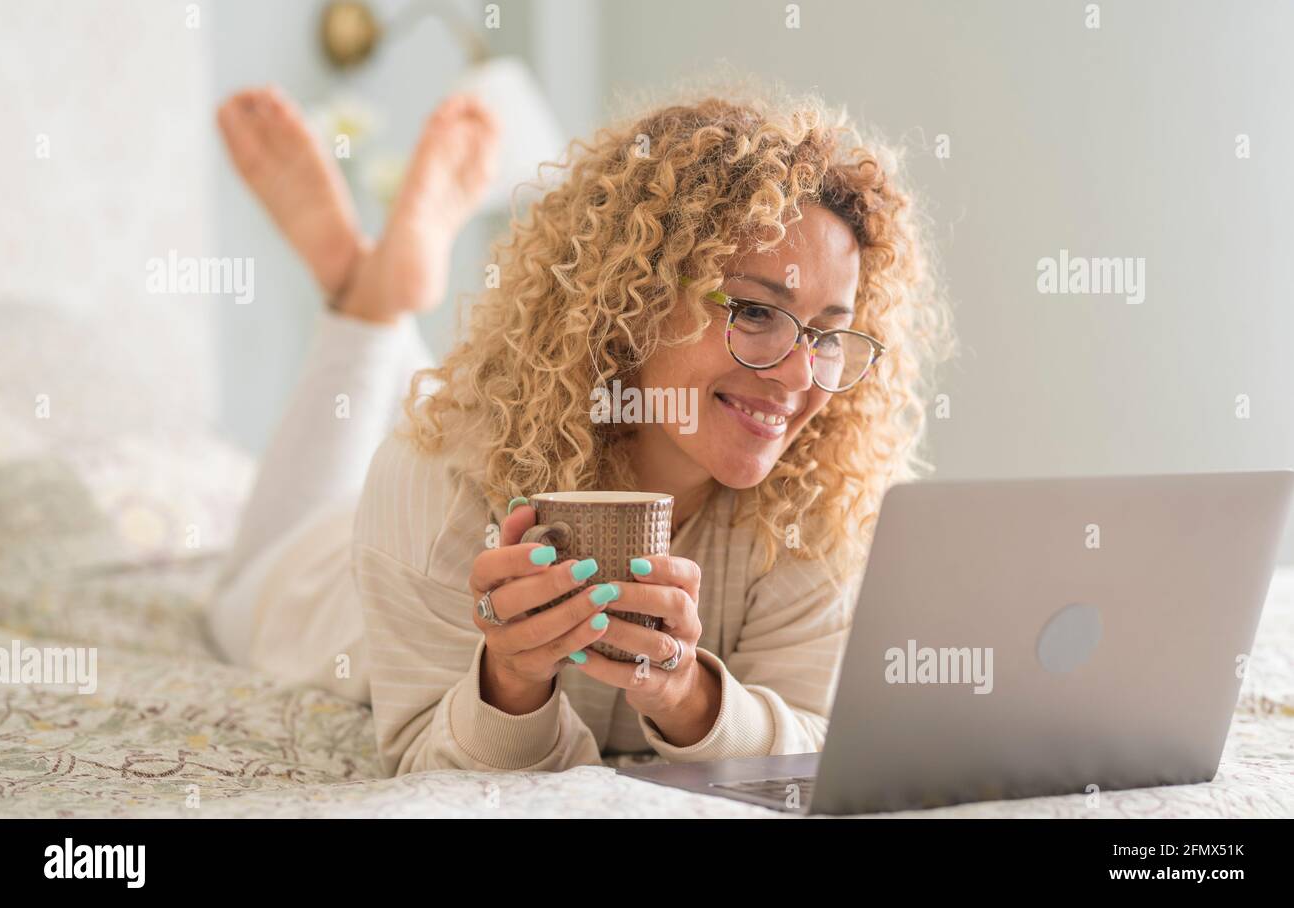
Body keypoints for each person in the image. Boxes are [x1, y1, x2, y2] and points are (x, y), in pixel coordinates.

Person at [206, 81, 954, 776]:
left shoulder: (816, 501)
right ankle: (367, 308)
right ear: (636, 298)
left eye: (827, 335)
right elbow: (425, 768)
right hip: (315, 578)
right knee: (236, 585)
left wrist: (690, 698)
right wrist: (512, 682)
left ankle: (368, 293)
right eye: (755, 312)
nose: (798, 375)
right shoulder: (437, 480)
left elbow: (818, 749)